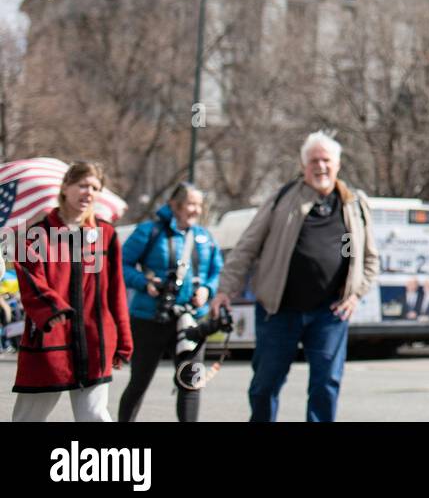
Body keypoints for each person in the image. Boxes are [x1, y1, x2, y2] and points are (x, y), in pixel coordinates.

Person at [211, 131, 379, 422]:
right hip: (279, 311)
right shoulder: (283, 199)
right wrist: (226, 289)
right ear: (304, 166)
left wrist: (355, 294)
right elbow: (247, 246)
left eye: (326, 160)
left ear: (337, 164)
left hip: (329, 313)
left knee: (326, 384)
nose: (320, 167)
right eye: (314, 160)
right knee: (265, 384)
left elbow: (370, 259)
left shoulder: (353, 204)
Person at [11, 161, 132, 422]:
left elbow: (116, 292)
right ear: (66, 187)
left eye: (95, 187)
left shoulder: (106, 234)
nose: (89, 192)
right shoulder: (37, 234)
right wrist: (54, 309)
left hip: (95, 340)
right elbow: (30, 280)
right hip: (49, 339)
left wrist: (124, 338)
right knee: (28, 418)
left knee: (95, 415)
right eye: (82, 185)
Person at [117, 181, 224, 422]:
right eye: (190, 204)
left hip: (190, 320)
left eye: (199, 205)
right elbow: (121, 264)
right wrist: (145, 284)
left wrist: (207, 290)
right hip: (150, 318)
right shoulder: (150, 231)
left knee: (191, 383)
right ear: (174, 205)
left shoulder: (204, 237)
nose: (196, 210)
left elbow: (217, 271)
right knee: (139, 382)